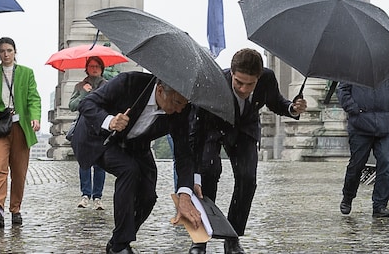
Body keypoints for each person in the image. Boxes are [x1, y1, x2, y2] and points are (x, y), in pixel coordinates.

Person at [188, 48, 307, 254]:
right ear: (232, 73)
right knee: (208, 173)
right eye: (238, 82)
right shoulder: (215, 82)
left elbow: (275, 102)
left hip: (245, 131)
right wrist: (194, 169)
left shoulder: (267, 78)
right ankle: (199, 239)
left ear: (259, 77)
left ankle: (232, 237)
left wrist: (292, 108)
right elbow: (196, 126)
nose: (243, 89)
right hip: (213, 130)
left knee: (247, 179)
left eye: (250, 84)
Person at [72, 71, 202, 254]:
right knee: (129, 170)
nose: (180, 109)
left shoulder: (181, 109)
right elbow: (86, 103)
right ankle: (120, 247)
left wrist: (185, 194)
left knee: (148, 194)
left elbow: (184, 154)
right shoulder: (128, 82)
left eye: (184, 104)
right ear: (159, 90)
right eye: (177, 103)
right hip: (99, 138)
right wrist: (109, 121)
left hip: (135, 144)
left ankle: (118, 240)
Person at [0, 36, 42, 228]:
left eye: (9, 50)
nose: (6, 54)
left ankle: (15, 209)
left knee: (19, 172)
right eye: (2, 51)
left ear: (15, 52)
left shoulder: (26, 73)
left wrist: (35, 117)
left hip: (20, 127)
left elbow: (33, 98)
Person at [337, 77, 389, 218]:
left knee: (386, 164)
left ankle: (380, 204)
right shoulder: (353, 69)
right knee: (356, 165)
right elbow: (343, 90)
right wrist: (353, 109)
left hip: (385, 125)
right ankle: (348, 196)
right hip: (360, 125)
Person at [68, 55, 111, 210]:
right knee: (84, 162)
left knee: (100, 164)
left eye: (97, 66)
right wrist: (85, 94)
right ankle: (85, 195)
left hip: (100, 127)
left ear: (101, 69)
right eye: (91, 66)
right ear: (86, 68)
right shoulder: (80, 86)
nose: (94, 69)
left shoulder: (108, 85)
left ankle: (97, 196)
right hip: (84, 128)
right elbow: (72, 105)